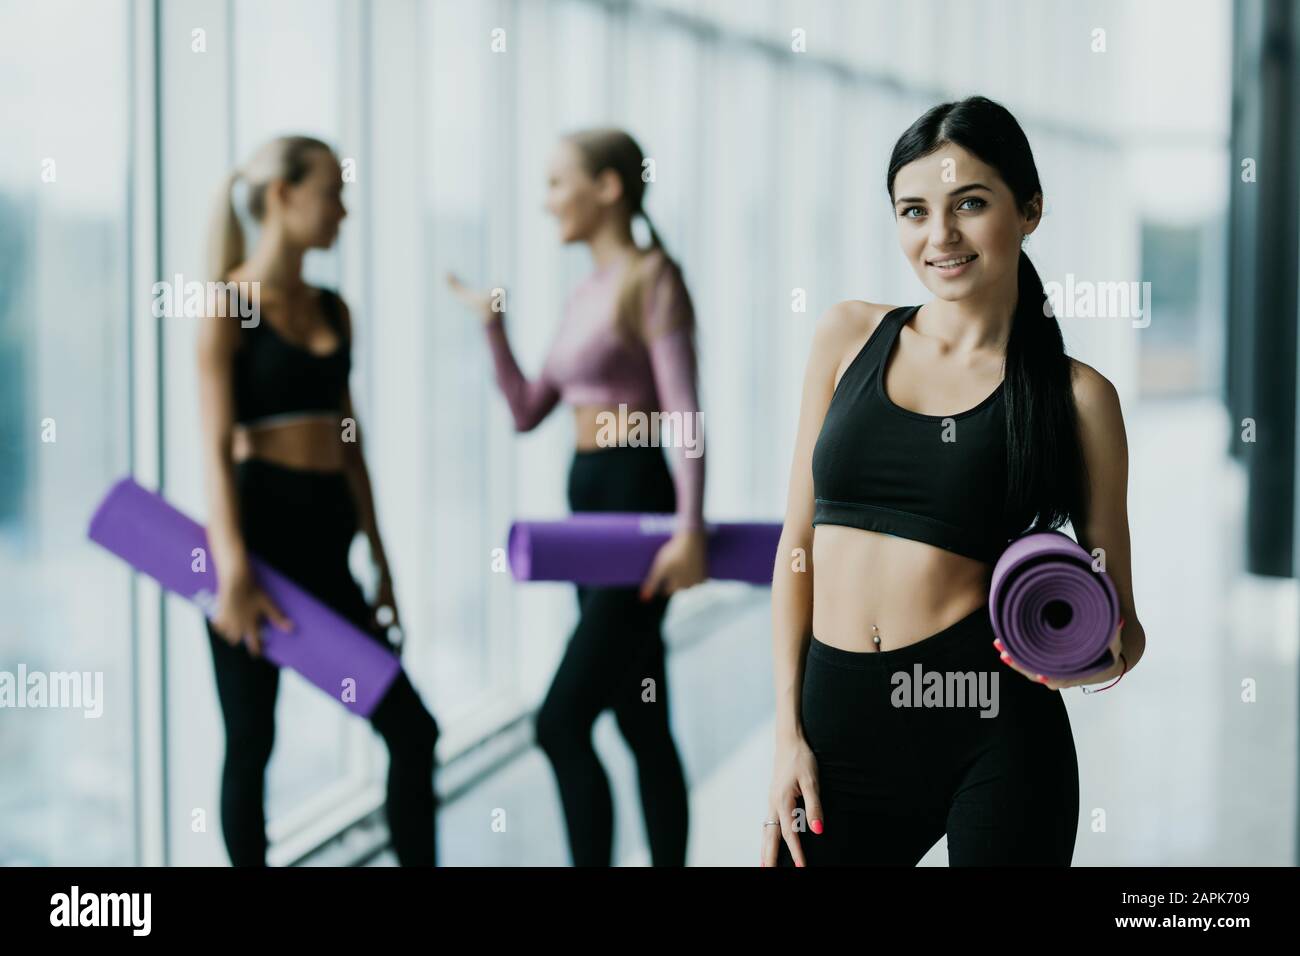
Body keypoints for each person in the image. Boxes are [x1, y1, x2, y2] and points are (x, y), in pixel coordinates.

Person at [763, 96, 1146, 867]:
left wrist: (1078, 658)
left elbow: (1124, 635)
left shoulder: (1078, 400)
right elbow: (796, 544)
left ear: (1029, 208)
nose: (940, 237)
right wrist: (786, 736)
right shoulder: (846, 336)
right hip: (837, 727)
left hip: (996, 734)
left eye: (970, 204)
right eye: (914, 211)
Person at [448, 128, 706, 866]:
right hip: (588, 493)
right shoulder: (583, 291)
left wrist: (687, 530)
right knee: (639, 715)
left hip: (637, 498)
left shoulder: (654, 277)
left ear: (608, 188)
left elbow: (685, 412)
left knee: (561, 722)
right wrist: (493, 329)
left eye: (559, 183)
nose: (546, 199)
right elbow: (529, 410)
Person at [198, 135, 439, 866]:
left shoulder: (334, 306)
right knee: (251, 745)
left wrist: (383, 560)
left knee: (411, 730)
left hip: (328, 545)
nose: (344, 209)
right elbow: (213, 447)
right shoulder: (229, 306)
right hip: (257, 550)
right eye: (332, 191)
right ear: (283, 197)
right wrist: (232, 570)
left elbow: (350, 440)